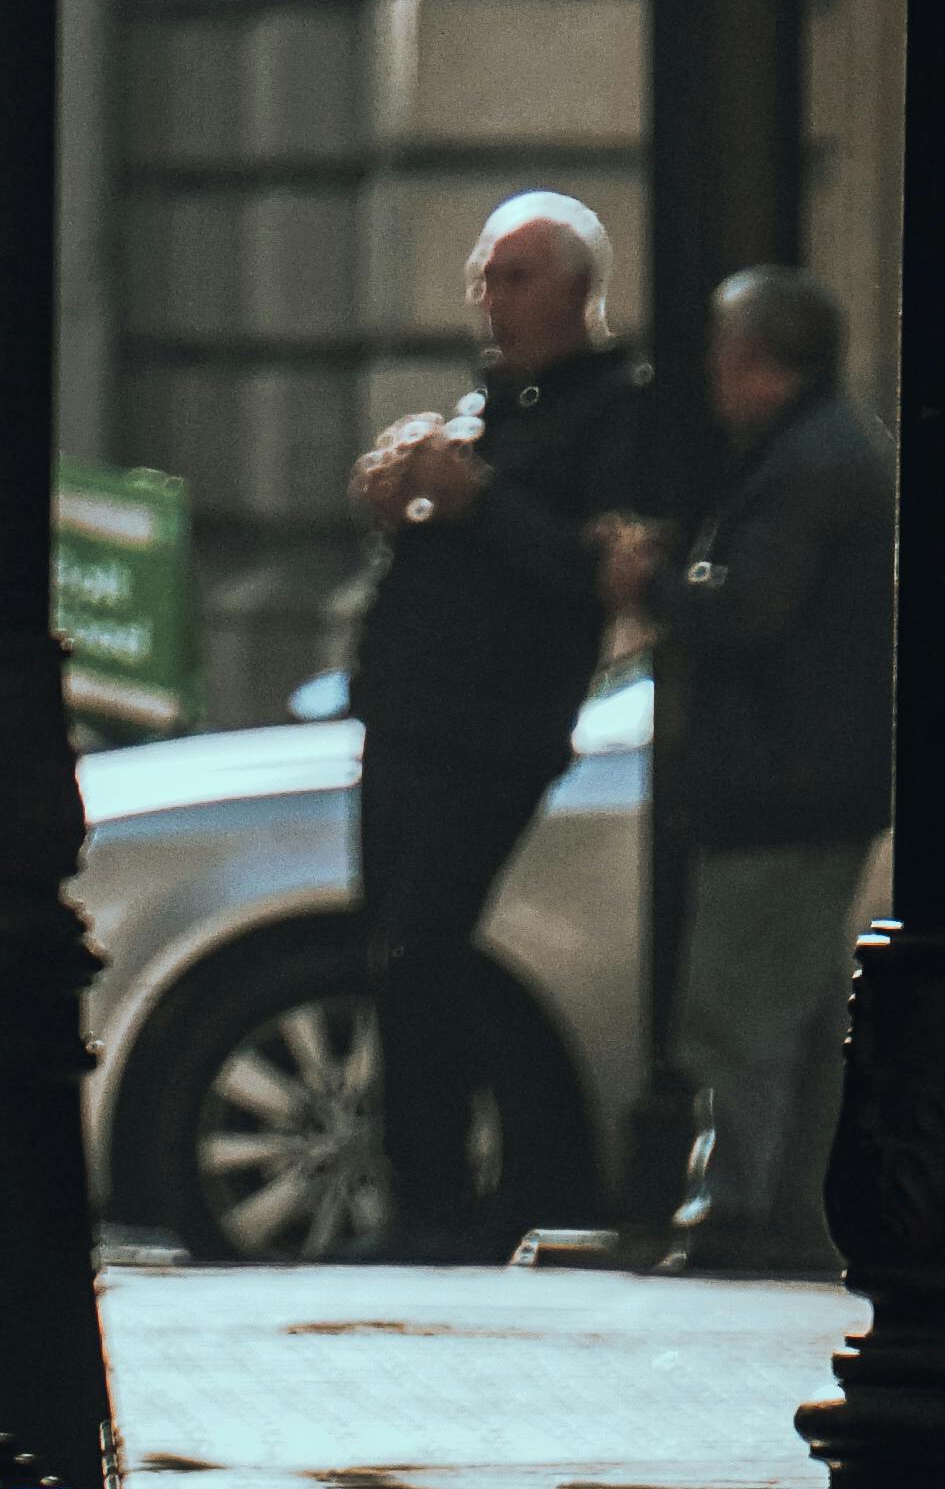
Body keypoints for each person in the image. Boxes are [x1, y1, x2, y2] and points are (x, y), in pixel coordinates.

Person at [343, 191, 652, 1251]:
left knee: (423, 949)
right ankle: (420, 1192)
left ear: (575, 290)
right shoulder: (489, 407)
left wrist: (476, 501)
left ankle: (462, 1197)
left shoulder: (614, 408)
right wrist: (404, 499)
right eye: (484, 277)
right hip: (408, 720)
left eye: (515, 278)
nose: (492, 299)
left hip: (498, 727)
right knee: (389, 951)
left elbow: (593, 577)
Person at [609, 265, 893, 1276]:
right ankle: (791, 1213)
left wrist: (656, 583)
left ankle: (737, 1212)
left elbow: (748, 610)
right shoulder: (825, 452)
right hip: (813, 783)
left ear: (749, 363)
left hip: (782, 787)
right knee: (800, 1015)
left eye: (723, 360)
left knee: (746, 1013)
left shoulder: (804, 466)